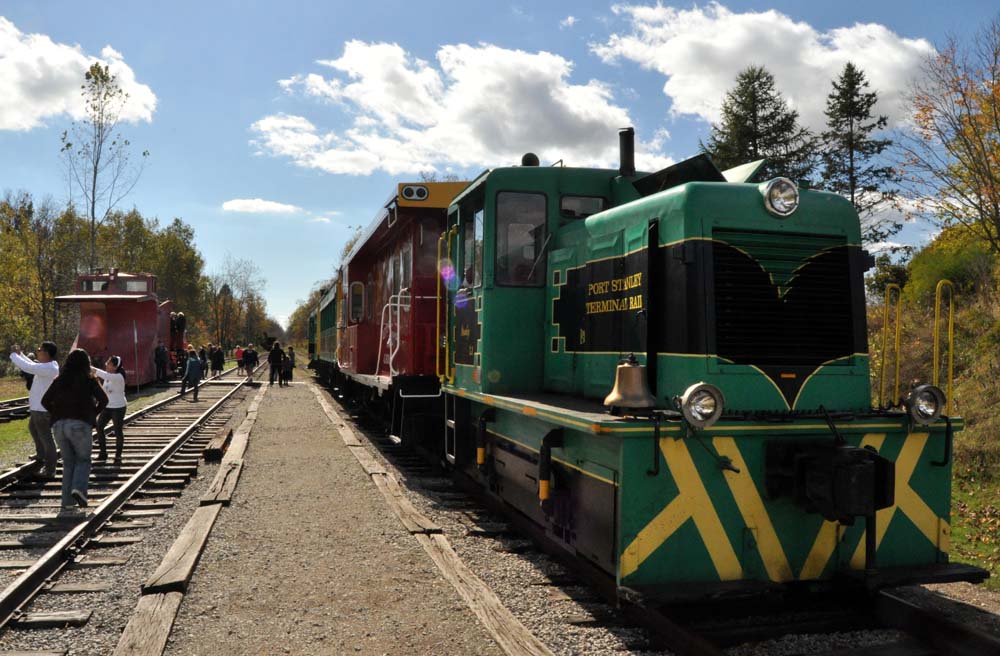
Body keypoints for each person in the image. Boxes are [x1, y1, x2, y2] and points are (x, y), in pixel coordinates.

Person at [41, 348, 108, 511]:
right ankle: (79, 489)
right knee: (83, 460)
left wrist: (57, 414)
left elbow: (45, 401)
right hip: (80, 424)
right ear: (86, 363)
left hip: (59, 426)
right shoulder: (89, 379)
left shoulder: (60, 380)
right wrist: (92, 414)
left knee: (68, 463)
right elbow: (104, 400)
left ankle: (67, 502)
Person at [9, 343, 59, 479]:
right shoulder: (47, 366)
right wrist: (21, 355)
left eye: (39, 350)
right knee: (33, 428)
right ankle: (41, 455)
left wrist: (14, 355)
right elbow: (32, 365)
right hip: (38, 409)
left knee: (47, 439)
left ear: (47, 353)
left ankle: (50, 470)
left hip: (42, 411)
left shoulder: (49, 368)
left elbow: (29, 367)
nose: (37, 351)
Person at [93, 356, 127, 464]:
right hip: (107, 407)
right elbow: (104, 390)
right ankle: (103, 453)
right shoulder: (109, 377)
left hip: (118, 407)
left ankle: (118, 456)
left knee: (118, 431)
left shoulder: (119, 377)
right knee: (99, 427)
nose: (106, 364)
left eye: (109, 363)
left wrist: (88, 366)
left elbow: (103, 374)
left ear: (115, 367)